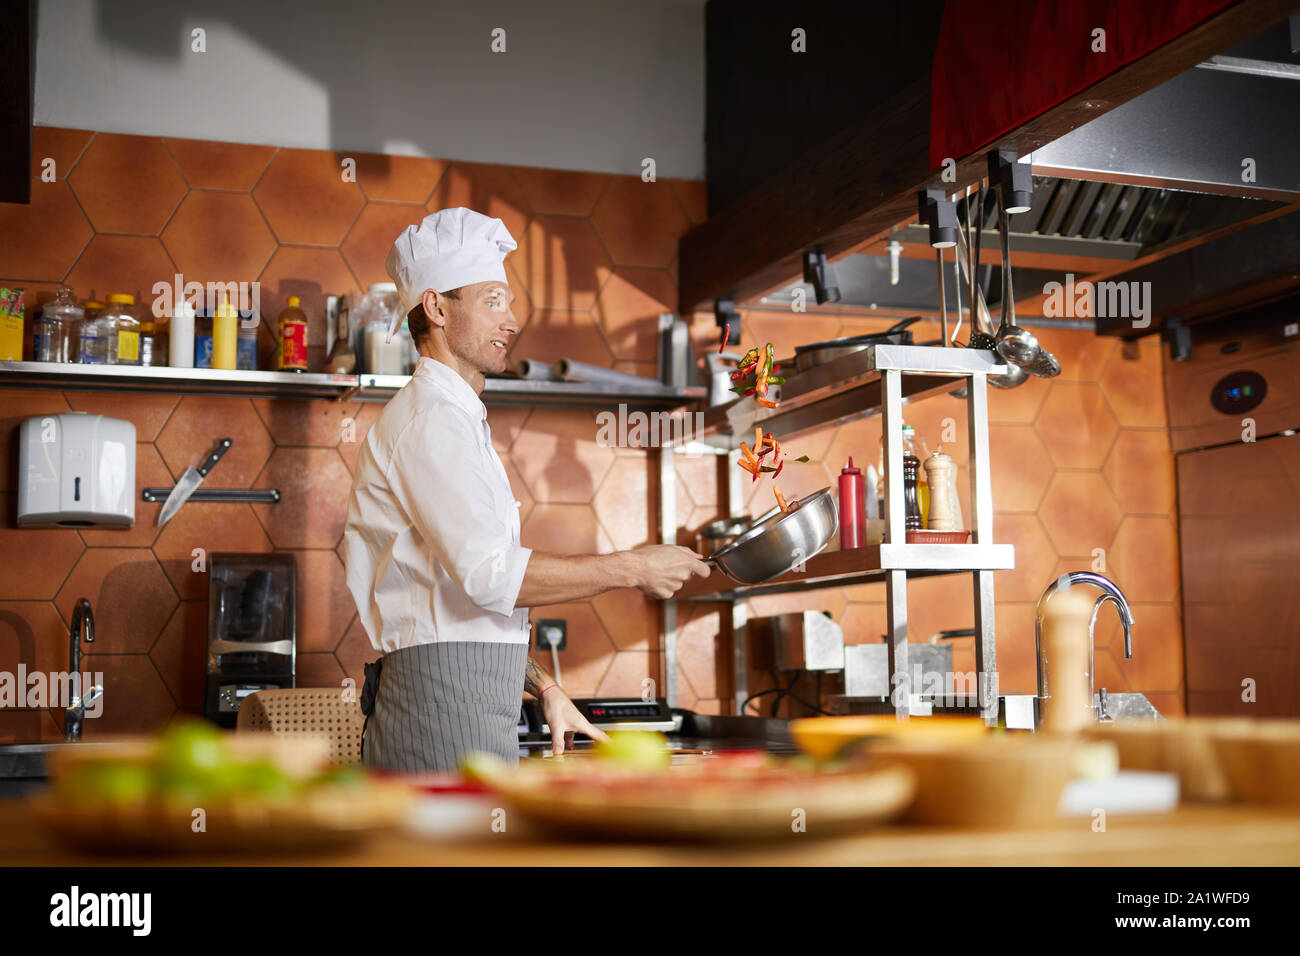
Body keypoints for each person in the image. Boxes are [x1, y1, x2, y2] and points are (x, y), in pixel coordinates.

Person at [342, 207, 709, 772]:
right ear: (438, 307)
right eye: (494, 301)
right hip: (437, 713)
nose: (512, 320)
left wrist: (544, 689)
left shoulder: (456, 418)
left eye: (508, 303)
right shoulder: (430, 422)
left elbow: (460, 608)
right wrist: (633, 568)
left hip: (468, 705)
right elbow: (490, 578)